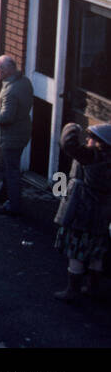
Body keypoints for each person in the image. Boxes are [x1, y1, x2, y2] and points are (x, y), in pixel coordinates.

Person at [53, 122, 111, 302]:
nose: (87, 140)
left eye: (92, 138)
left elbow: (67, 144)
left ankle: (73, 290)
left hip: (84, 214)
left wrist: (72, 127)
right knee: (96, 253)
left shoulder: (92, 157)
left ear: (100, 143)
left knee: (76, 252)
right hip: (103, 215)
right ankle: (93, 287)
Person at [0, 55, 33, 217]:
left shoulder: (10, 92)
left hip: (12, 136)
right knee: (8, 164)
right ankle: (2, 191)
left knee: (11, 169)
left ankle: (13, 205)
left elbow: (7, 117)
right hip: (23, 131)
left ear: (7, 71)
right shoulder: (24, 81)